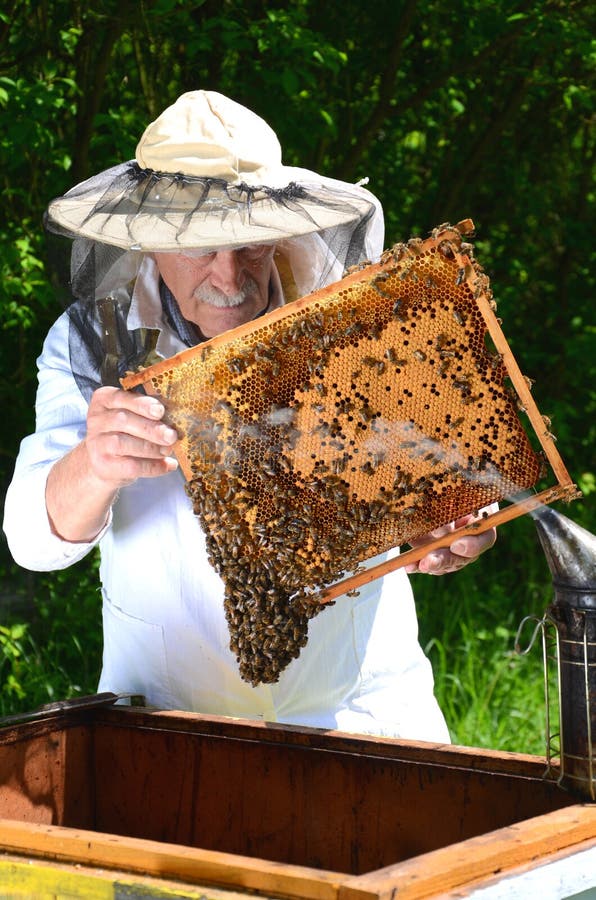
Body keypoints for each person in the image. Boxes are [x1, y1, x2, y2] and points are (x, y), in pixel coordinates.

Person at [3, 91, 496, 741]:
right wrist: (95, 466)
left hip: (361, 713)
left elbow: (439, 490)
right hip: (171, 721)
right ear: (149, 243)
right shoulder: (90, 341)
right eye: (200, 247)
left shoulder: (358, 322)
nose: (230, 274)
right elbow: (33, 541)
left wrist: (458, 528)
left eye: (248, 243)